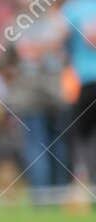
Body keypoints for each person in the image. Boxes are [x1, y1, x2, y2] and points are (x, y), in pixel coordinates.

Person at [5, 0, 69, 201]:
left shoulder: (16, 25)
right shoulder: (57, 23)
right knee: (57, 145)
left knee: (36, 146)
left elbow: (5, 62)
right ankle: (58, 194)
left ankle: (42, 197)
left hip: (31, 96)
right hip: (54, 94)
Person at [66, 0, 96, 196]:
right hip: (82, 83)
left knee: (82, 137)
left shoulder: (73, 9)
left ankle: (88, 183)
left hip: (84, 83)